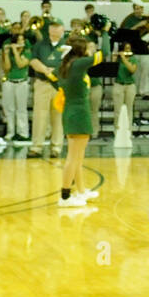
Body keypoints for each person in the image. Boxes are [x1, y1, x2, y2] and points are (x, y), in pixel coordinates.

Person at [55, 37, 101, 207]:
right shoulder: (78, 64)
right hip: (79, 112)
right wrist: (104, 33)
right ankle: (65, 196)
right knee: (73, 158)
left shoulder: (65, 66)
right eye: (88, 47)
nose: (91, 50)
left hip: (71, 110)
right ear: (81, 51)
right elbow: (105, 55)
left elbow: (53, 78)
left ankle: (81, 191)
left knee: (77, 157)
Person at [27, 18, 65, 157]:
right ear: (49, 29)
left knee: (58, 117)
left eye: (58, 27)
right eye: (52, 27)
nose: (55, 30)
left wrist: (55, 71)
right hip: (42, 83)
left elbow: (69, 63)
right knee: (39, 116)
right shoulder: (40, 45)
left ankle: (56, 148)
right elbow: (33, 61)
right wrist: (45, 70)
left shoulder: (67, 45)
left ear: (62, 29)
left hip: (59, 85)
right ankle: (36, 147)